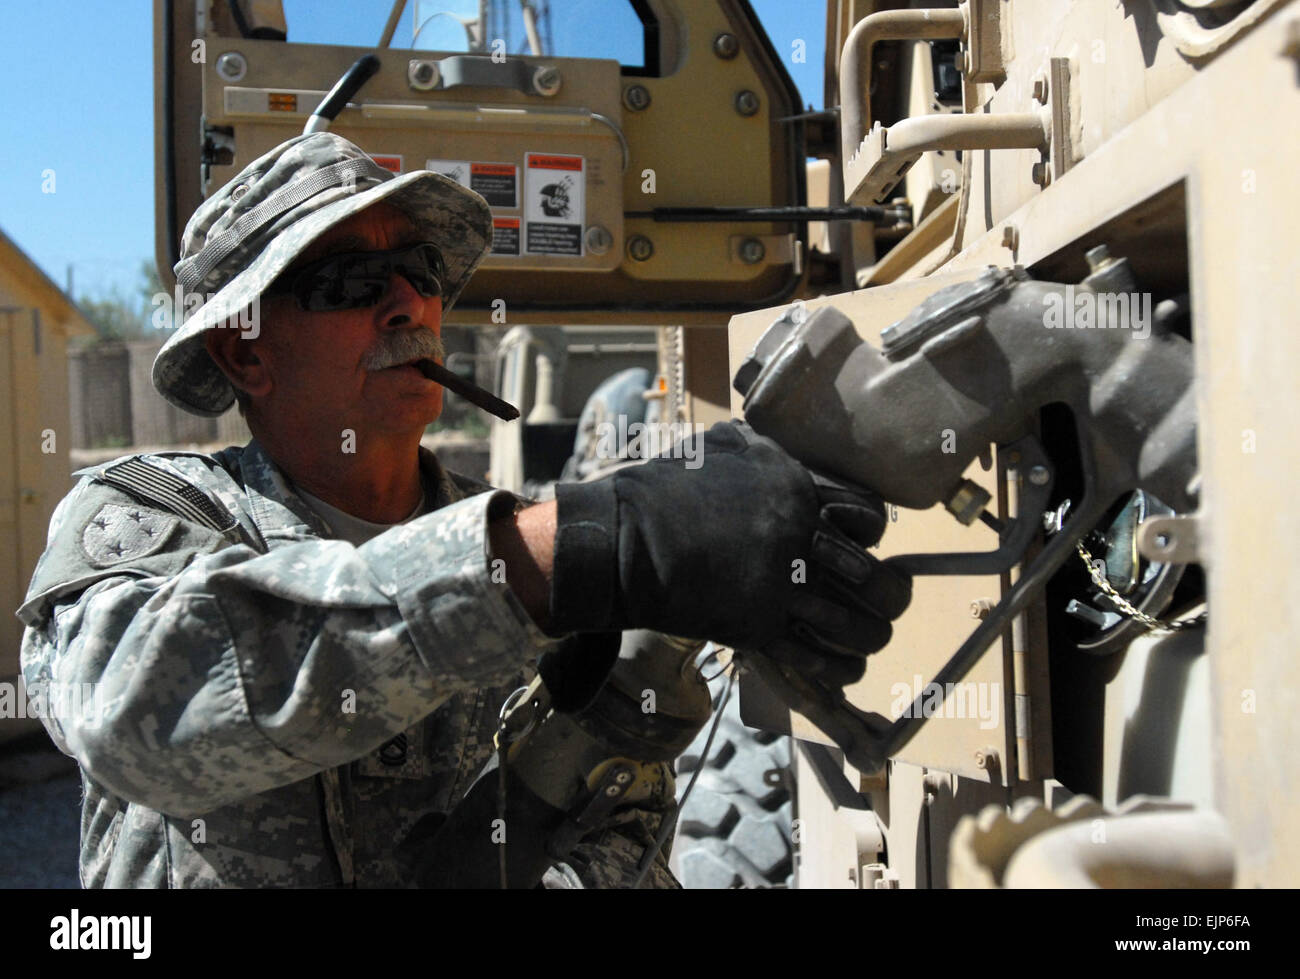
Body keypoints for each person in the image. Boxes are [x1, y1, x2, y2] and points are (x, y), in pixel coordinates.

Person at [16, 133, 910, 888]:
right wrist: (574, 551)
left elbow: (622, 822)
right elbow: (132, 712)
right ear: (245, 353)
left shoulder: (528, 548)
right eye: (350, 281)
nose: (408, 302)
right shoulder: (153, 514)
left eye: (419, 270)